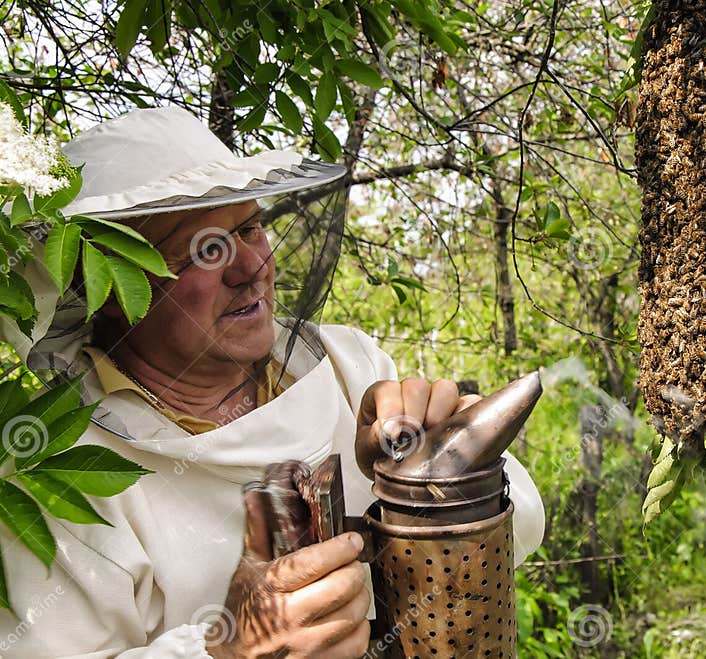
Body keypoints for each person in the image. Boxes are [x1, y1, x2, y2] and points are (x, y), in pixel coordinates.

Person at [0, 107, 545, 658]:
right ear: (110, 285)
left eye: (249, 227)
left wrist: (439, 475)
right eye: (204, 250)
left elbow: (520, 529)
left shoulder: (347, 363)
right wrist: (224, 648)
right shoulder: (56, 470)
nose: (251, 266)